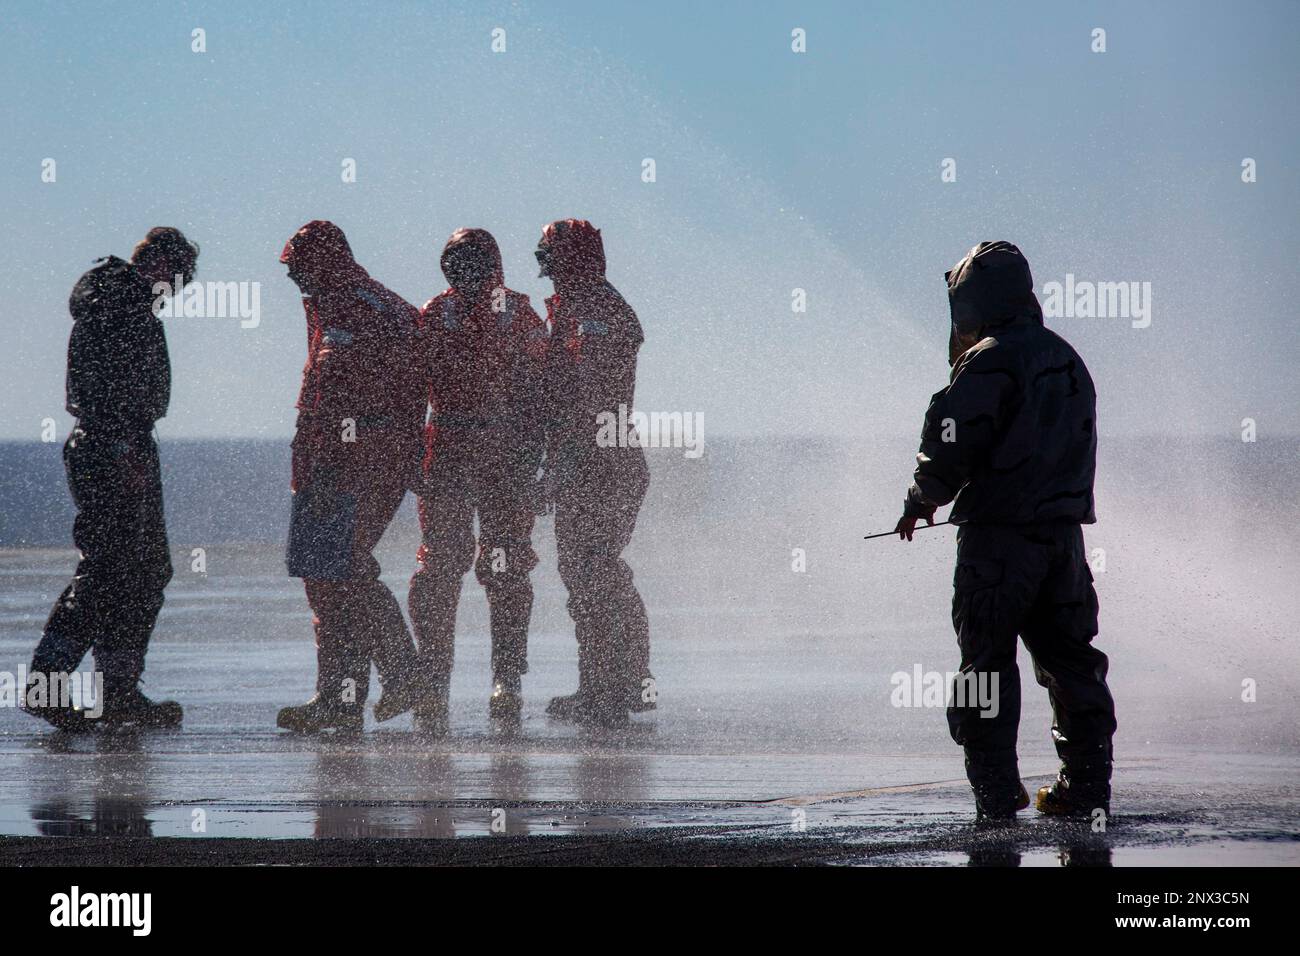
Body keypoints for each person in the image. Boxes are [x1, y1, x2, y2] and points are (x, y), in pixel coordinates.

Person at [894, 241, 1117, 821]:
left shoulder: (989, 358)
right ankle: (1085, 791)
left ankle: (996, 794)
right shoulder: (1066, 358)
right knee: (1073, 663)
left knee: (984, 667)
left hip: (998, 543)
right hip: (1064, 543)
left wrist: (922, 499)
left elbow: (952, 435)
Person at [24, 227, 198, 730]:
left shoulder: (123, 301)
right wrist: (124, 446)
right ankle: (48, 685)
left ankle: (118, 691)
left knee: (143, 570)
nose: (181, 287)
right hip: (112, 447)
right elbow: (110, 385)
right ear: (159, 263)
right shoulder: (120, 301)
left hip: (122, 444)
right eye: (180, 274)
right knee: (108, 570)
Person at [276, 221, 427, 734]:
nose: (292, 275)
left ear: (324, 260)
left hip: (363, 459)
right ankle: (339, 700)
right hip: (324, 459)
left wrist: (398, 455)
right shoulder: (324, 301)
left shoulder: (375, 307)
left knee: (344, 568)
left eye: (298, 265)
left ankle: (404, 675)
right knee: (325, 578)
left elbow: (411, 384)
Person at [407, 228, 548, 734]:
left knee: (506, 563)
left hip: (505, 451)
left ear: (490, 263)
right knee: (438, 566)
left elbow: (542, 395)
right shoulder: (431, 315)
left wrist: (537, 463)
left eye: (471, 261)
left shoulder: (519, 314)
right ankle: (433, 678)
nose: (461, 271)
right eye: (453, 261)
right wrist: (406, 455)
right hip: (445, 449)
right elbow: (410, 393)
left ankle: (507, 678)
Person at [535, 219, 653, 729]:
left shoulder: (598, 313)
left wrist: (560, 468)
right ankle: (608, 684)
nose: (543, 269)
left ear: (574, 259)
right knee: (588, 573)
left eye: (550, 257)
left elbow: (593, 402)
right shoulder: (572, 309)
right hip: (586, 460)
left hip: (605, 462)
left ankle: (616, 686)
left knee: (595, 572)